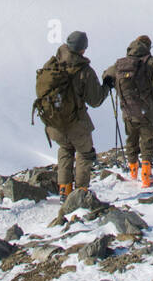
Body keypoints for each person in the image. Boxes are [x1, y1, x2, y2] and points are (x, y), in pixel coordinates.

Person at [32, 31, 107, 200]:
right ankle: (80, 193)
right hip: (76, 123)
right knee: (84, 153)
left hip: (54, 123)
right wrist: (107, 86)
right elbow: (95, 100)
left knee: (65, 150)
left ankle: (64, 191)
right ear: (82, 49)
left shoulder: (52, 63)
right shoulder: (84, 70)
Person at [104, 35, 153, 188]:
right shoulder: (151, 61)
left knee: (131, 139)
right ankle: (146, 175)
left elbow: (106, 75)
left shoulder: (120, 64)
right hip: (147, 109)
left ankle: (133, 172)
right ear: (148, 47)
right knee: (147, 139)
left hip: (127, 110)